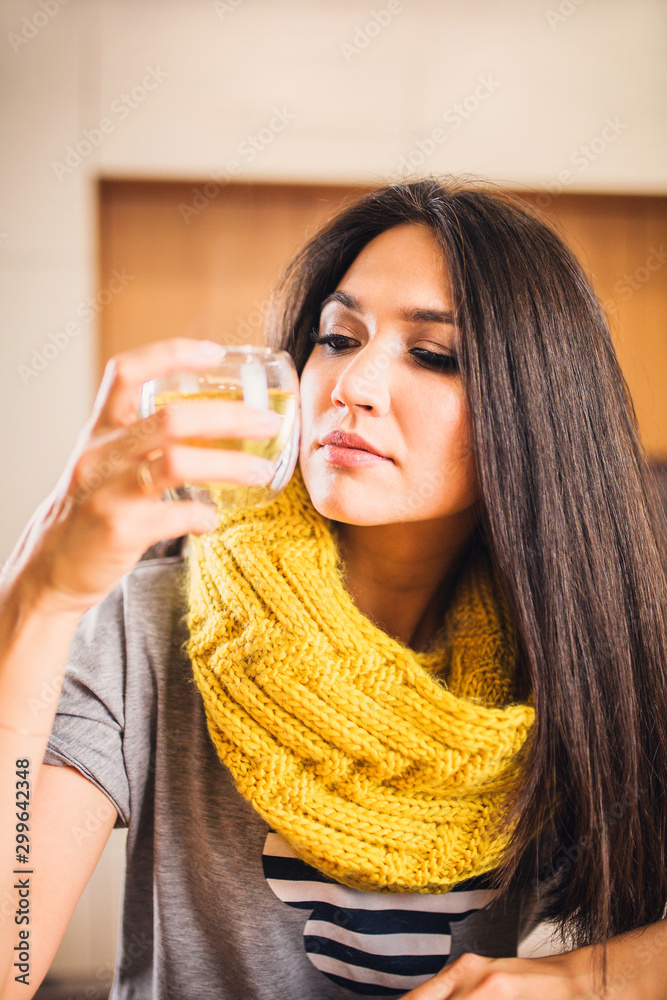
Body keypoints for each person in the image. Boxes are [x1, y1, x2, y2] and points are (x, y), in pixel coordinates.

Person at [1, 178, 666, 1000]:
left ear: (539, 412)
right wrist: (39, 602)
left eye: (433, 355)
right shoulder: (146, 626)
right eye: (337, 338)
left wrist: (575, 981)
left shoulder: (578, 650)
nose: (349, 386)